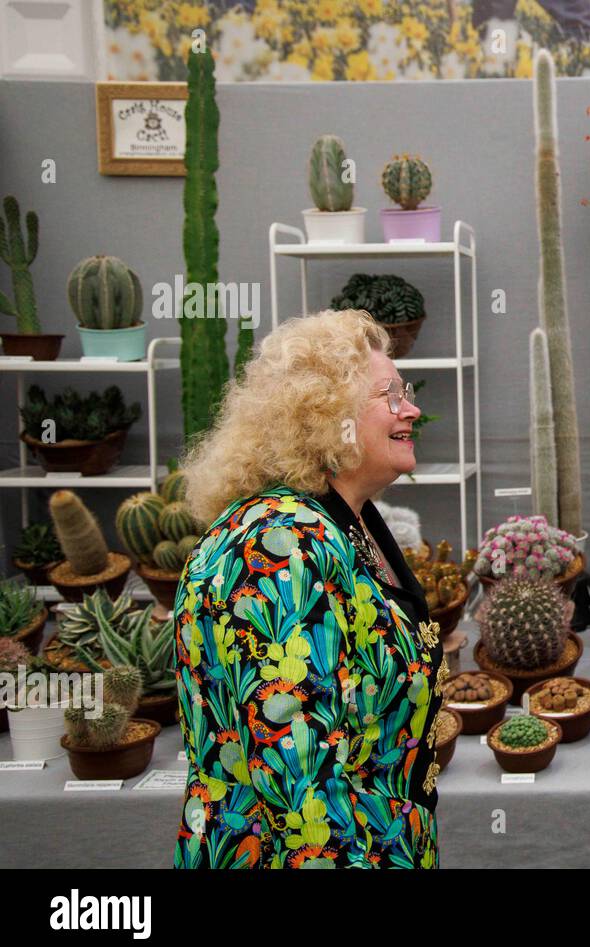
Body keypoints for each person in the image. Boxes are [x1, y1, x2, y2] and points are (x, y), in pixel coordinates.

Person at [172, 310, 447, 869]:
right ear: (325, 414)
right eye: (389, 395)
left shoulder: (342, 521)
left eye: (407, 392)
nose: (411, 409)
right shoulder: (277, 548)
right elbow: (299, 792)